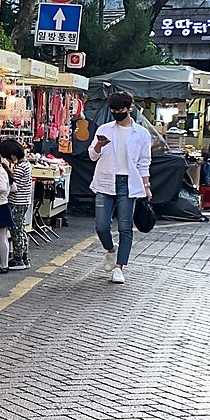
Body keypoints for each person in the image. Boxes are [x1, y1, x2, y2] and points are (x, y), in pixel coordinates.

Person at [89, 91, 153, 285]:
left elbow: (144, 162)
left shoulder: (141, 133)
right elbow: (92, 155)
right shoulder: (105, 129)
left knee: (125, 226)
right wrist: (98, 146)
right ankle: (110, 249)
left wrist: (146, 185)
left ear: (130, 109)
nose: (117, 113)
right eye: (114, 110)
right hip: (105, 180)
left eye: (121, 109)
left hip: (129, 182)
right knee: (101, 226)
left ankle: (119, 267)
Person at [0, 139, 33, 269]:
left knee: (16, 230)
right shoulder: (27, 164)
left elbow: (14, 187)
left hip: (17, 202)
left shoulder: (19, 167)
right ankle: (23, 256)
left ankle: (18, 259)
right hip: (24, 202)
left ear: (12, 156)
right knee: (21, 229)